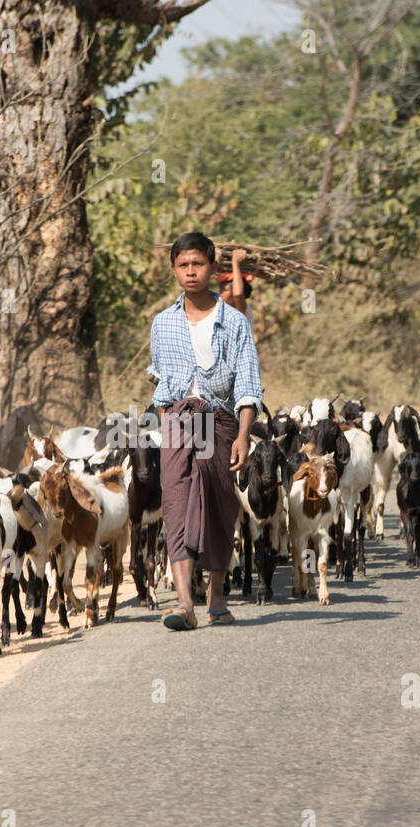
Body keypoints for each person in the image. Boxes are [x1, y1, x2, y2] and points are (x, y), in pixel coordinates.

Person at [146, 231, 263, 630]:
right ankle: (184, 604)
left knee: (219, 504)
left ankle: (215, 599)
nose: (191, 272)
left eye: (198, 264)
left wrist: (244, 436)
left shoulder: (234, 322)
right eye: (183, 265)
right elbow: (159, 380)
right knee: (176, 503)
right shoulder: (162, 324)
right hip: (179, 421)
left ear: (213, 267)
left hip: (222, 421)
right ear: (174, 270)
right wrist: (167, 424)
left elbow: (248, 385)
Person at [217, 246, 255, 329]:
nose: (220, 295)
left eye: (224, 290)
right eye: (220, 290)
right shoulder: (224, 310)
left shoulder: (241, 310)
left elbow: (238, 295)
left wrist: (235, 263)